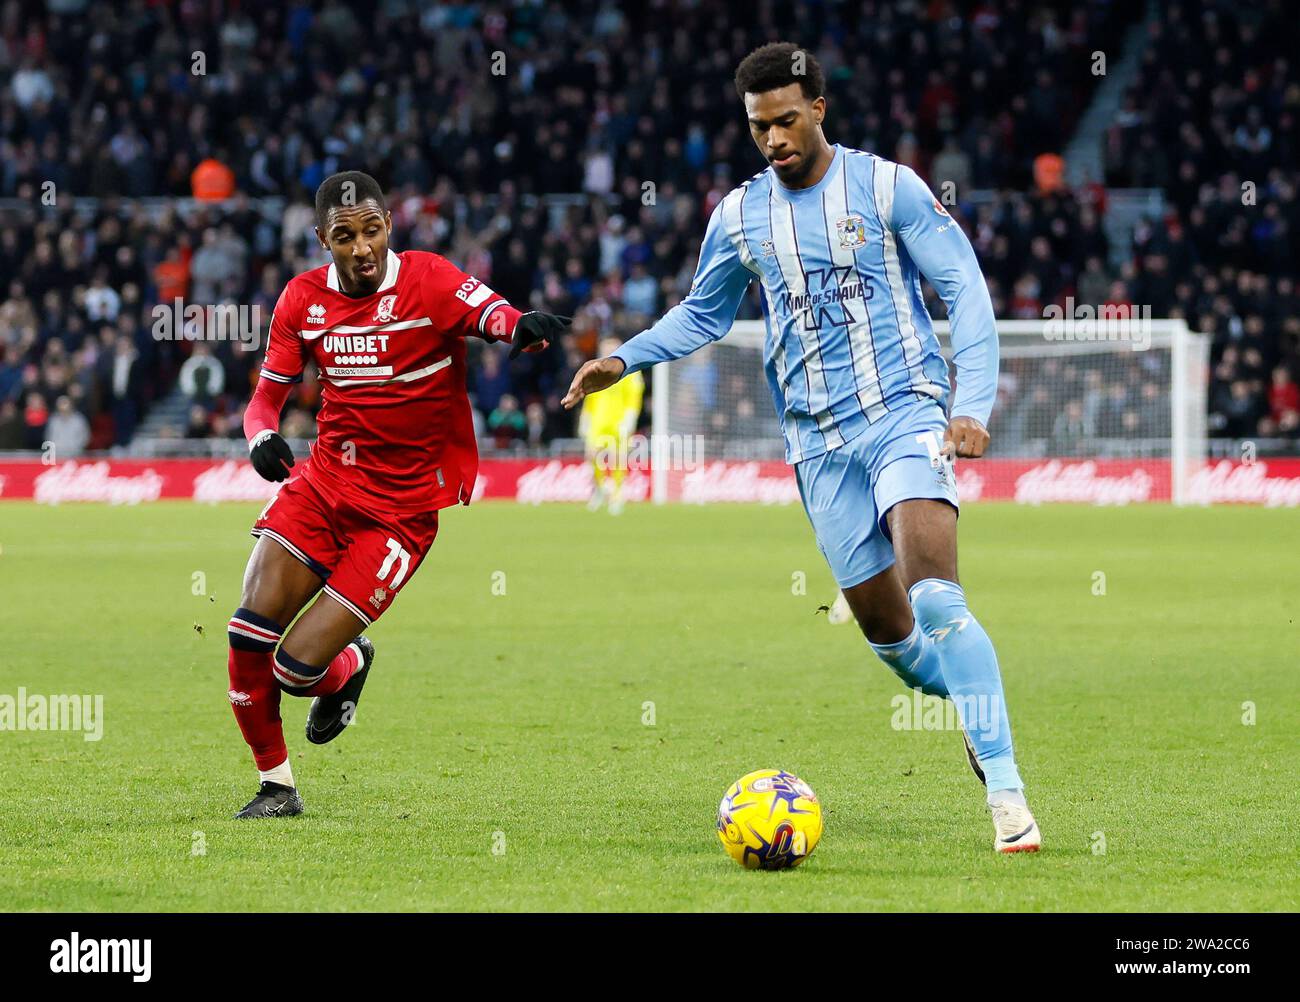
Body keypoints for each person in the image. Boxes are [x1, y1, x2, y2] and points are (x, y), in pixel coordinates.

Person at [563, 44, 1039, 853]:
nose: (774, 138)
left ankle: (1007, 796)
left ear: (819, 107)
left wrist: (970, 404)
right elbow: (705, 313)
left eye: (786, 119)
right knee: (894, 641)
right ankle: (971, 704)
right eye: (759, 126)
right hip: (816, 445)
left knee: (934, 593)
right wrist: (624, 356)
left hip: (904, 411)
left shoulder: (888, 187)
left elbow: (962, 285)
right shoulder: (740, 215)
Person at [229, 170, 568, 818]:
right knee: (247, 635)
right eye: (344, 236)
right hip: (323, 486)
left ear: (390, 224)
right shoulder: (302, 300)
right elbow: (264, 400)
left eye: (372, 230)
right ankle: (277, 788)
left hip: (400, 516)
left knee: (295, 672)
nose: (361, 248)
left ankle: (348, 663)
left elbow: (487, 311)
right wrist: (260, 438)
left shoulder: (428, 279)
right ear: (322, 238)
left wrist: (518, 324)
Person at [580, 335, 644, 514]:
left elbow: (634, 397)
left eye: (611, 349)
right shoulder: (595, 370)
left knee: (617, 459)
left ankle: (616, 495)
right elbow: (589, 397)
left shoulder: (631, 372)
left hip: (619, 422)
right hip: (598, 421)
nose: (608, 352)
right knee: (592, 455)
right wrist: (585, 418)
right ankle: (599, 490)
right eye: (605, 349)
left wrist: (630, 419)